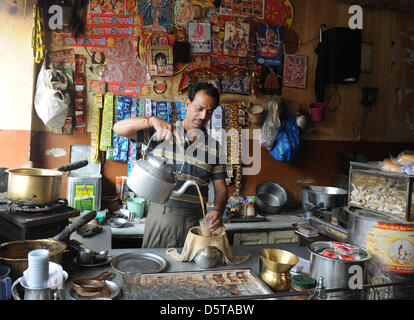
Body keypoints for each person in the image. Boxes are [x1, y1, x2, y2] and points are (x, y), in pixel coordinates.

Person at [113, 82, 228, 248]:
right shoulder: (163, 132)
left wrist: (218, 210)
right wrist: (151, 121)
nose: (203, 116)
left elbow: (221, 189)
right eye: (199, 108)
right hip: (162, 216)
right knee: (156, 269)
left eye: (209, 112)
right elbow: (118, 129)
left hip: (197, 222)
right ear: (188, 104)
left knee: (191, 271)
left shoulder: (215, 148)